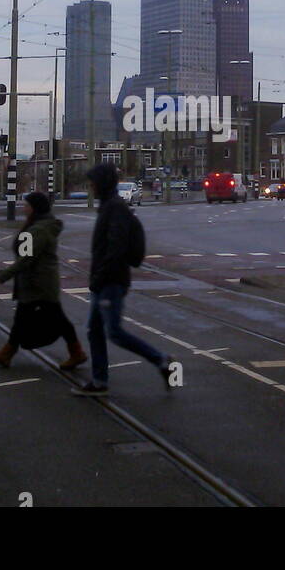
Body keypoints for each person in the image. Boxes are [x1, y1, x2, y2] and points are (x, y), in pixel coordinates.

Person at [73, 163, 175, 397]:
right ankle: (99, 380)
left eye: (92, 183)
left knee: (113, 332)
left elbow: (115, 247)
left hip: (110, 280)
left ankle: (159, 359)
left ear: (101, 184)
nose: (90, 187)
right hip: (106, 279)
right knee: (95, 330)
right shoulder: (110, 206)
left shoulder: (114, 209)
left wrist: (100, 276)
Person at [0, 192, 86, 370]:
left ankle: (76, 353)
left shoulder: (36, 230)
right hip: (39, 282)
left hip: (38, 284)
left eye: (26, 206)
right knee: (25, 317)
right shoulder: (41, 226)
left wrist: (5, 275)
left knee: (56, 318)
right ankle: (7, 353)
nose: (23, 209)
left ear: (34, 208)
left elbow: (25, 258)